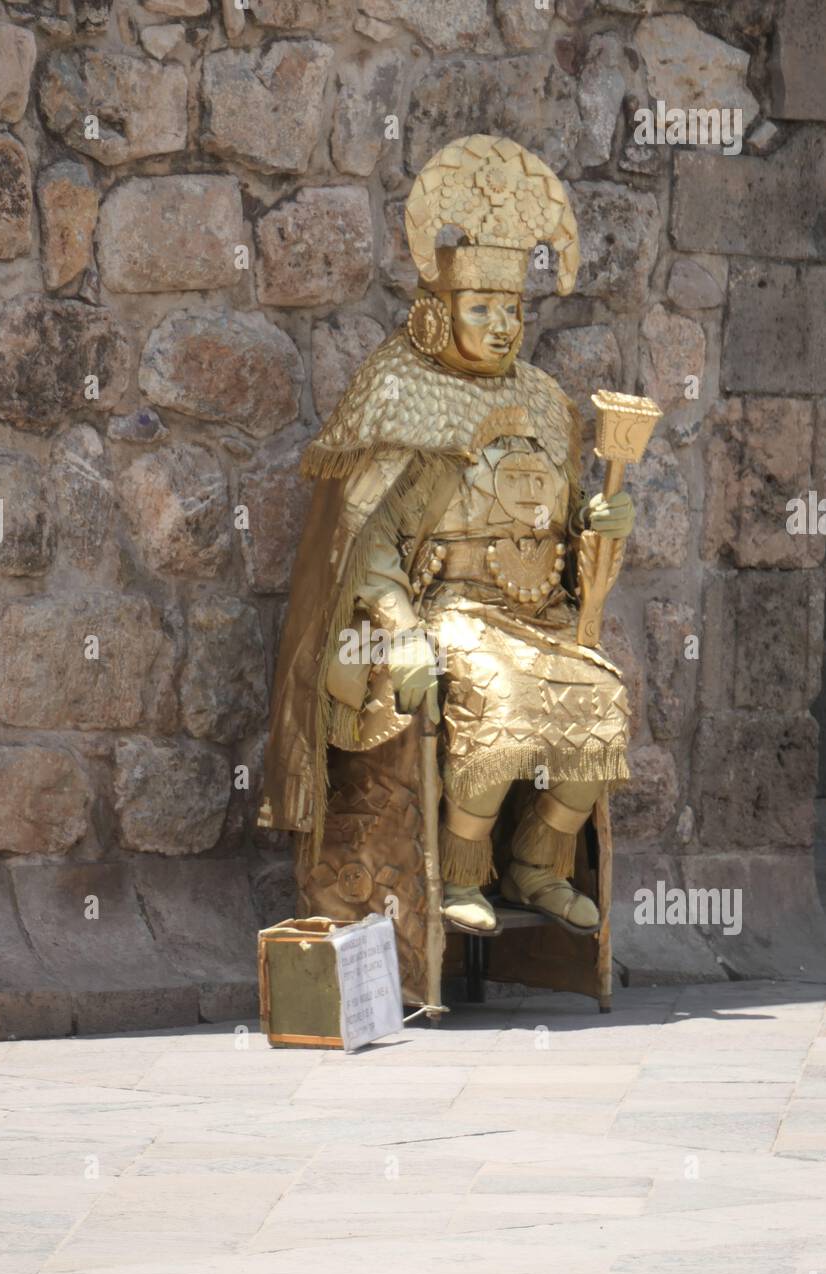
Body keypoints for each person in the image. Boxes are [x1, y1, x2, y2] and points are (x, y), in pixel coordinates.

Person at [258, 133, 634, 975]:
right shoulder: (397, 388)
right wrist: (396, 629)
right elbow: (365, 541)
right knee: (497, 702)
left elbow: (564, 528)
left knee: (603, 701)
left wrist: (598, 528)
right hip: (447, 610)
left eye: (514, 311)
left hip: (535, 610)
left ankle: (539, 864)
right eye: (481, 309)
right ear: (438, 309)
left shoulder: (542, 398)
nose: (502, 327)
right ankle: (464, 872)